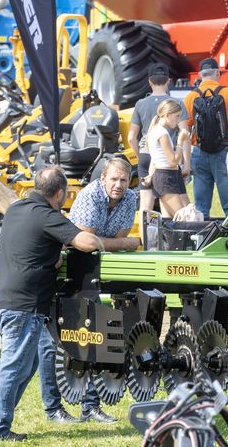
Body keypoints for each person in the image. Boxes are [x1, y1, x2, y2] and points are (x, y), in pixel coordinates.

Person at [0, 166, 140, 442]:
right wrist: (126, 242)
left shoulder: (16, 209)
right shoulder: (46, 215)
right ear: (60, 194)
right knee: (13, 366)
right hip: (23, 304)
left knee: (25, 367)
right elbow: (85, 241)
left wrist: (53, 257)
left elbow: (30, 246)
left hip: (5, 299)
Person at [36, 158, 138, 425]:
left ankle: (90, 405)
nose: (118, 185)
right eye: (113, 179)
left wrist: (116, 242)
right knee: (54, 341)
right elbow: (85, 242)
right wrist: (124, 243)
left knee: (96, 334)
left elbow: (110, 239)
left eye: (123, 180)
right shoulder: (89, 195)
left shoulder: (130, 199)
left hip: (97, 269)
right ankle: (53, 407)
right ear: (103, 178)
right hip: (69, 269)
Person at [182, 58, 228, 218]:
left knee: (201, 206)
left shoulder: (190, 97)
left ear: (200, 75)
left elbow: (185, 132)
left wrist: (186, 161)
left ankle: (203, 239)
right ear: (217, 73)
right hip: (225, 153)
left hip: (199, 153)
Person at [127, 63, 173, 200]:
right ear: (168, 81)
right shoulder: (175, 104)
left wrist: (140, 156)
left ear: (150, 82)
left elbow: (131, 137)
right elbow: (184, 133)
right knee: (168, 201)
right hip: (166, 158)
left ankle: (144, 222)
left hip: (146, 154)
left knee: (146, 204)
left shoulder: (140, 104)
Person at [149, 98, 191, 217]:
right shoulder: (161, 132)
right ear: (167, 115)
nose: (178, 120)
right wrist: (180, 142)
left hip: (171, 176)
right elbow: (172, 161)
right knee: (186, 218)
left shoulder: (159, 130)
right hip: (165, 177)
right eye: (177, 116)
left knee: (171, 219)